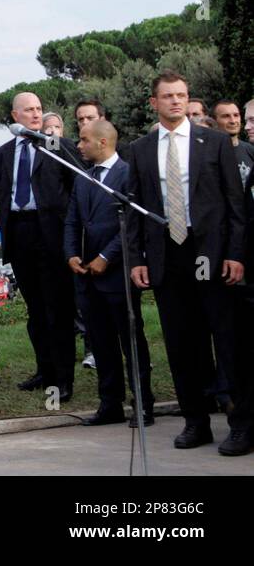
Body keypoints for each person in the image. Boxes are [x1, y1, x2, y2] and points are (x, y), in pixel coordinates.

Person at [125, 72, 247, 455]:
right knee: (181, 343)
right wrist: (137, 259)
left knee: (227, 341)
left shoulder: (213, 142)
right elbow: (133, 210)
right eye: (168, 96)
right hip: (167, 255)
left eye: (182, 95)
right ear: (154, 102)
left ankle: (243, 425)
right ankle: (196, 422)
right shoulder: (140, 149)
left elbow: (235, 204)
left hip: (209, 251)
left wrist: (235, 254)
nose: (176, 101)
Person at [63, 119, 154, 426]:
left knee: (130, 341)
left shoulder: (128, 175)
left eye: (84, 139)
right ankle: (109, 403)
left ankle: (143, 404)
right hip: (87, 277)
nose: (79, 144)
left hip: (117, 275)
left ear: (103, 142)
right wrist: (72, 254)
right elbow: (72, 220)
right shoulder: (82, 178)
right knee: (101, 342)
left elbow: (129, 224)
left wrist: (106, 257)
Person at [0, 91, 79, 402]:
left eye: (39, 109)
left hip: (51, 235)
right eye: (28, 110)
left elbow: (74, 188)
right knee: (36, 310)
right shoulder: (2, 153)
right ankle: (44, 369)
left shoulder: (53, 145)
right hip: (20, 234)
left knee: (58, 308)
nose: (35, 115)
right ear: (15, 116)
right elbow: (4, 195)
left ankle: (63, 378)